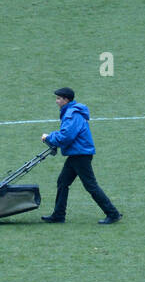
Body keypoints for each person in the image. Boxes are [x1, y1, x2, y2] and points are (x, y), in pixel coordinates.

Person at [40, 87, 121, 225]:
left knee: (90, 185)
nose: (56, 101)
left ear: (66, 100)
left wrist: (48, 137)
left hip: (80, 155)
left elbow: (66, 136)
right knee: (63, 182)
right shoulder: (71, 112)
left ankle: (112, 213)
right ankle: (58, 215)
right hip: (77, 154)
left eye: (59, 98)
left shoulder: (72, 114)